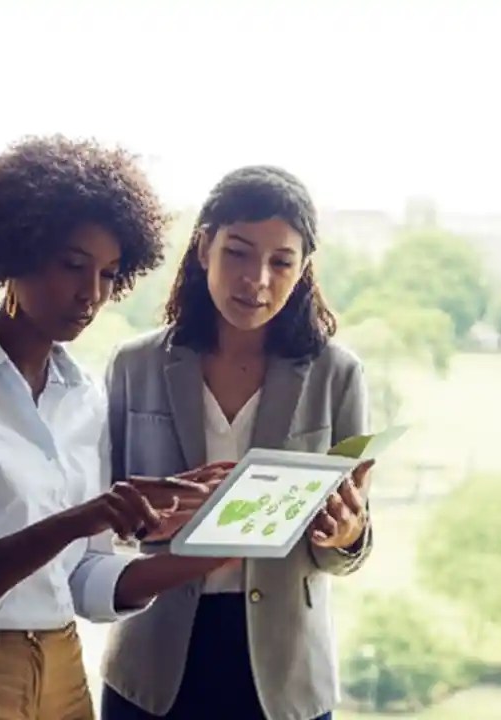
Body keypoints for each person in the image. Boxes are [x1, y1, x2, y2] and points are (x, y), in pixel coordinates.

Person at [0, 135, 235, 720]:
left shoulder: (84, 396)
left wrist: (205, 554)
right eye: (73, 266)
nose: (90, 294)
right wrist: (87, 515)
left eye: (108, 275)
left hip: (66, 672)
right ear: (16, 252)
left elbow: (85, 579)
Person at [99, 166, 375, 720]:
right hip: (154, 661)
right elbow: (104, 522)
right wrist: (144, 522)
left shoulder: (336, 374)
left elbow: (346, 550)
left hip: (284, 670)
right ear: (204, 247)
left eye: (281, 262)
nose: (258, 280)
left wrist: (347, 535)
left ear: (303, 270)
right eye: (239, 253)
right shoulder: (136, 366)